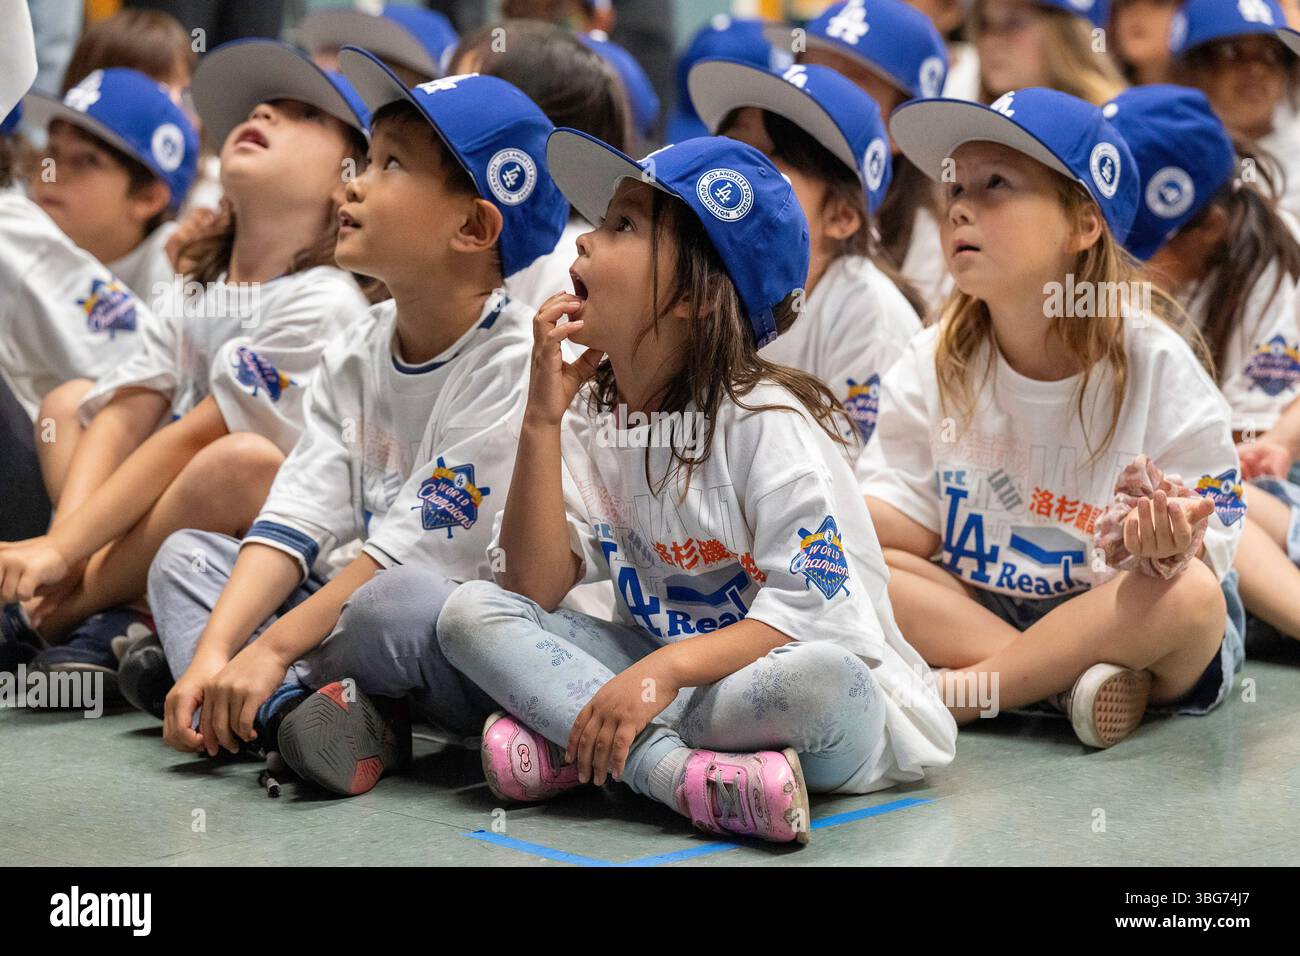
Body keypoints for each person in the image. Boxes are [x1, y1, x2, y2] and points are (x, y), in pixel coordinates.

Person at [434, 131, 957, 844]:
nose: (584, 242)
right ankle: (671, 774)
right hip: (665, 675)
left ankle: (583, 740)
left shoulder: (766, 422)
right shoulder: (590, 411)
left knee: (819, 678)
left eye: (623, 226)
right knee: (468, 613)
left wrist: (660, 676)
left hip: (808, 703)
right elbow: (532, 589)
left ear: (697, 298)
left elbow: (815, 616)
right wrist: (541, 421)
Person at [144, 57, 567, 802]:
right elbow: (297, 514)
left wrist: (269, 647)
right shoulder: (360, 342)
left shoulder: (509, 366)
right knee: (184, 560)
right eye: (365, 159)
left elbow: (405, 556)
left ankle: (283, 701)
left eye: (391, 165)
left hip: (447, 655)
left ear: (473, 225)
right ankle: (284, 717)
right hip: (343, 619)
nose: (354, 183)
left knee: (395, 601)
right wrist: (217, 651)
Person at [861, 87, 1243, 749]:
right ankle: (1064, 686)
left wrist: (1172, 535)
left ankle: (956, 694)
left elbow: (1218, 517)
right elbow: (905, 521)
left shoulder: (1153, 359)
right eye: (955, 189)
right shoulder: (931, 358)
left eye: (996, 184)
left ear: (1083, 225)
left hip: (1123, 615)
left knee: (1192, 598)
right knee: (853, 559)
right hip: (987, 604)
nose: (960, 208)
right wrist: (826, 516)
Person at [0, 41, 372, 692]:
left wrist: (64, 560)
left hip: (270, 561)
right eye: (262, 107)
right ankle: (99, 606)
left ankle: (70, 611)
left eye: (303, 114)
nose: (264, 112)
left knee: (238, 459)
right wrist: (61, 543)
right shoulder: (198, 283)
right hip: (159, 526)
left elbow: (201, 436)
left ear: (350, 180)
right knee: (71, 404)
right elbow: (126, 414)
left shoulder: (324, 299)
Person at [689, 57, 922, 441]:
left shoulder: (868, 317)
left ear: (842, 217)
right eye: (733, 147)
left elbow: (852, 488)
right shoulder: (692, 274)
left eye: (767, 162)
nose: (736, 175)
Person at [24, 68, 199, 300]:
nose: (52, 173)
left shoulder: (173, 271)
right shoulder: (20, 231)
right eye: (52, 151)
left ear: (148, 198)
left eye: (86, 160)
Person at [1171, 0, 1300, 219]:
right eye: (1231, 52)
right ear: (1191, 70)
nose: (1255, 68)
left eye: (1271, 53)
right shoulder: (1172, 154)